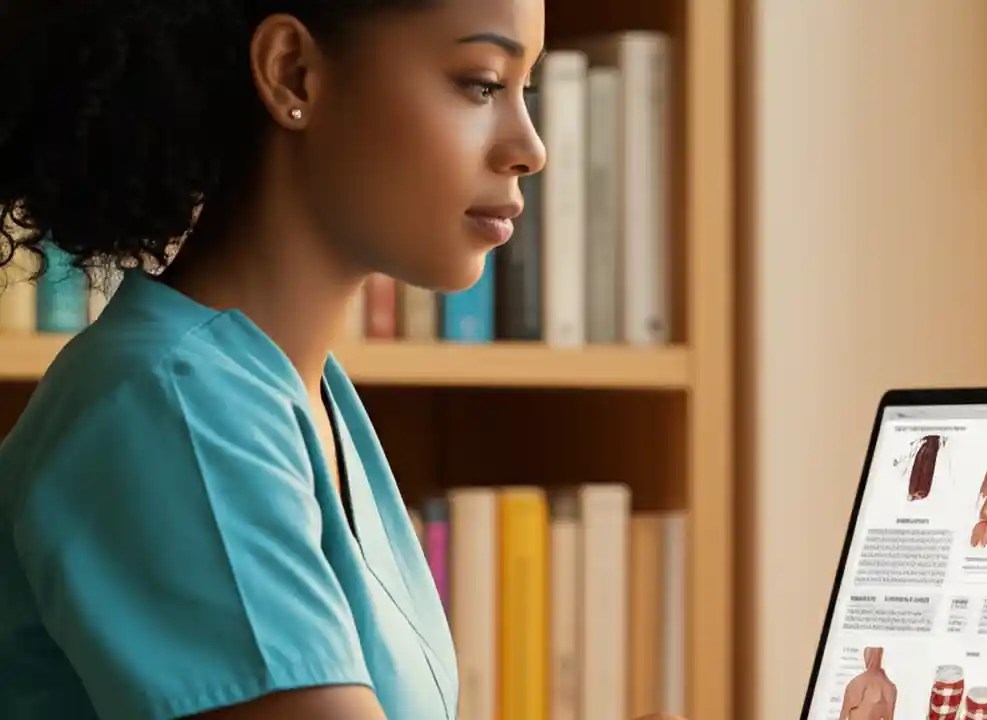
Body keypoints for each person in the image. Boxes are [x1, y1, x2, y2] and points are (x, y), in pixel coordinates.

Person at [0, 2, 682, 719]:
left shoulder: (303, 396)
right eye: (482, 84)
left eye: (526, 90)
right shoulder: (171, 406)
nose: (531, 147)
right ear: (293, 74)